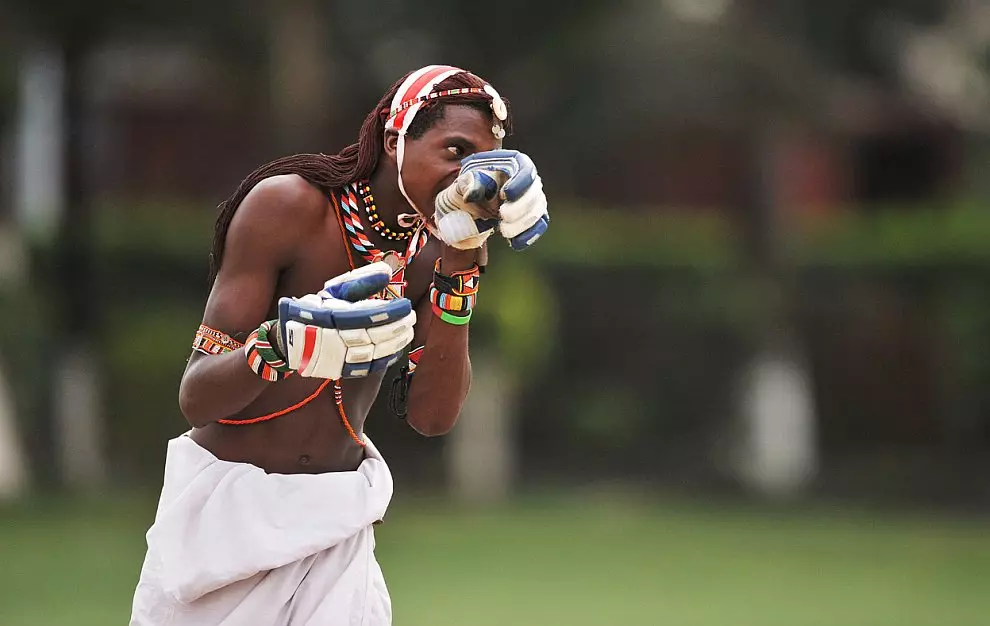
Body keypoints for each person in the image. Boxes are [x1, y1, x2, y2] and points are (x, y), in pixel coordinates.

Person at [129, 64, 549, 626]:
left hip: (335, 526)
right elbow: (197, 397)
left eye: (483, 162)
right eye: (455, 151)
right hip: (224, 517)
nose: (467, 177)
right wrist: (280, 348)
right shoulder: (288, 206)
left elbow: (433, 415)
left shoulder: (436, 250)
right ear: (397, 139)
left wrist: (461, 266)